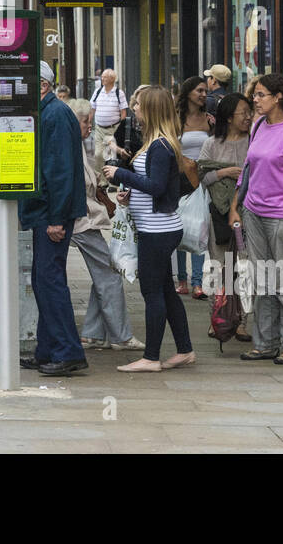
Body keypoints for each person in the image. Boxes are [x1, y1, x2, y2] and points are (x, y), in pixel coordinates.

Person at [104, 86, 199, 372]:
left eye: (138, 105)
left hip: (158, 230)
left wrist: (121, 174)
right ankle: (184, 350)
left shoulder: (160, 146)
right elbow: (156, 186)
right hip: (157, 226)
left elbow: (157, 187)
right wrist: (128, 194)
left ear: (151, 110)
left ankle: (151, 357)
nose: (134, 109)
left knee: (152, 292)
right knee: (166, 291)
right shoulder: (157, 143)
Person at [230, 73, 283, 364]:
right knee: (262, 280)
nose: (255, 99)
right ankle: (265, 342)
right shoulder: (258, 126)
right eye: (255, 94)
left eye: (261, 94)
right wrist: (236, 204)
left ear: (279, 97)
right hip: (254, 211)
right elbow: (248, 168)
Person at [18, 61, 89, 376]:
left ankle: (67, 351)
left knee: (50, 281)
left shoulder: (54, 115)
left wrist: (57, 219)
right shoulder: (50, 113)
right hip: (46, 211)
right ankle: (47, 349)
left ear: (43, 86)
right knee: (43, 280)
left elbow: (59, 172)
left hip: (51, 213)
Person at [68, 99, 143, 352]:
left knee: (103, 273)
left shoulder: (75, 144)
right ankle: (120, 336)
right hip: (80, 220)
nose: (90, 126)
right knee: (110, 272)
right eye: (86, 121)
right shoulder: (69, 145)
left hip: (82, 218)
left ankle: (92, 333)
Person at [199, 91, 253, 341]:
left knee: (244, 268)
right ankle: (217, 318)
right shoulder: (212, 144)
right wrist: (225, 173)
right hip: (218, 216)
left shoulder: (254, 141)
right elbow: (202, 178)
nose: (249, 116)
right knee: (217, 267)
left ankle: (242, 321)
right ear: (229, 117)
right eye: (244, 112)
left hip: (247, 215)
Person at [173, 75, 213, 298]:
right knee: (180, 228)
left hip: (202, 181)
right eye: (199, 90)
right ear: (188, 93)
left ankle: (197, 282)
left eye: (205, 91)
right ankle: (182, 280)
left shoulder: (209, 120)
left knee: (199, 227)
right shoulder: (176, 119)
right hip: (180, 181)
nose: (203, 95)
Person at [89, 68, 128, 170]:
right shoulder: (97, 92)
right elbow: (92, 109)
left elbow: (123, 113)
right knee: (98, 154)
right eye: (102, 77)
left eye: (105, 77)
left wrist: (119, 129)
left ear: (112, 79)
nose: (102, 79)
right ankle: (101, 180)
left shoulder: (119, 93)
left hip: (112, 129)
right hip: (99, 129)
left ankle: (110, 181)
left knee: (110, 155)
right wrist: (89, 123)